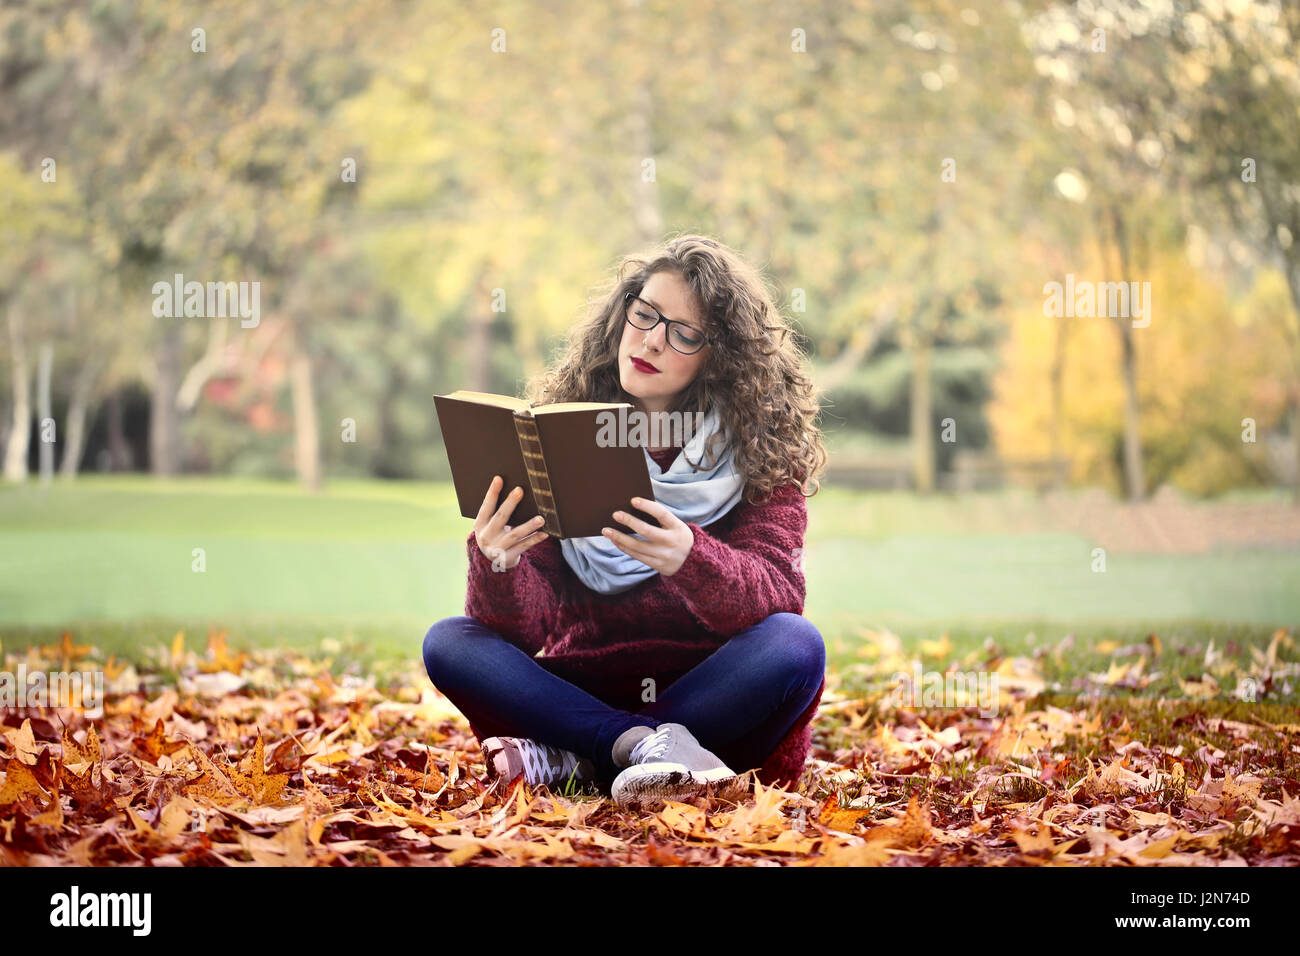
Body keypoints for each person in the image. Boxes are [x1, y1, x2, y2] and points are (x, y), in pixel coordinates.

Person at [421, 234, 829, 809]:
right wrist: (498, 561)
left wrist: (691, 558)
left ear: (720, 358)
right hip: (581, 689)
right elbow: (523, 632)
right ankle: (631, 746)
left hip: (712, 700)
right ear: (623, 313)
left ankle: (578, 760)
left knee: (796, 644)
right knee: (449, 642)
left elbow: (779, 596)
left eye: (684, 333)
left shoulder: (759, 457)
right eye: (645, 314)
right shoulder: (559, 438)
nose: (652, 340)